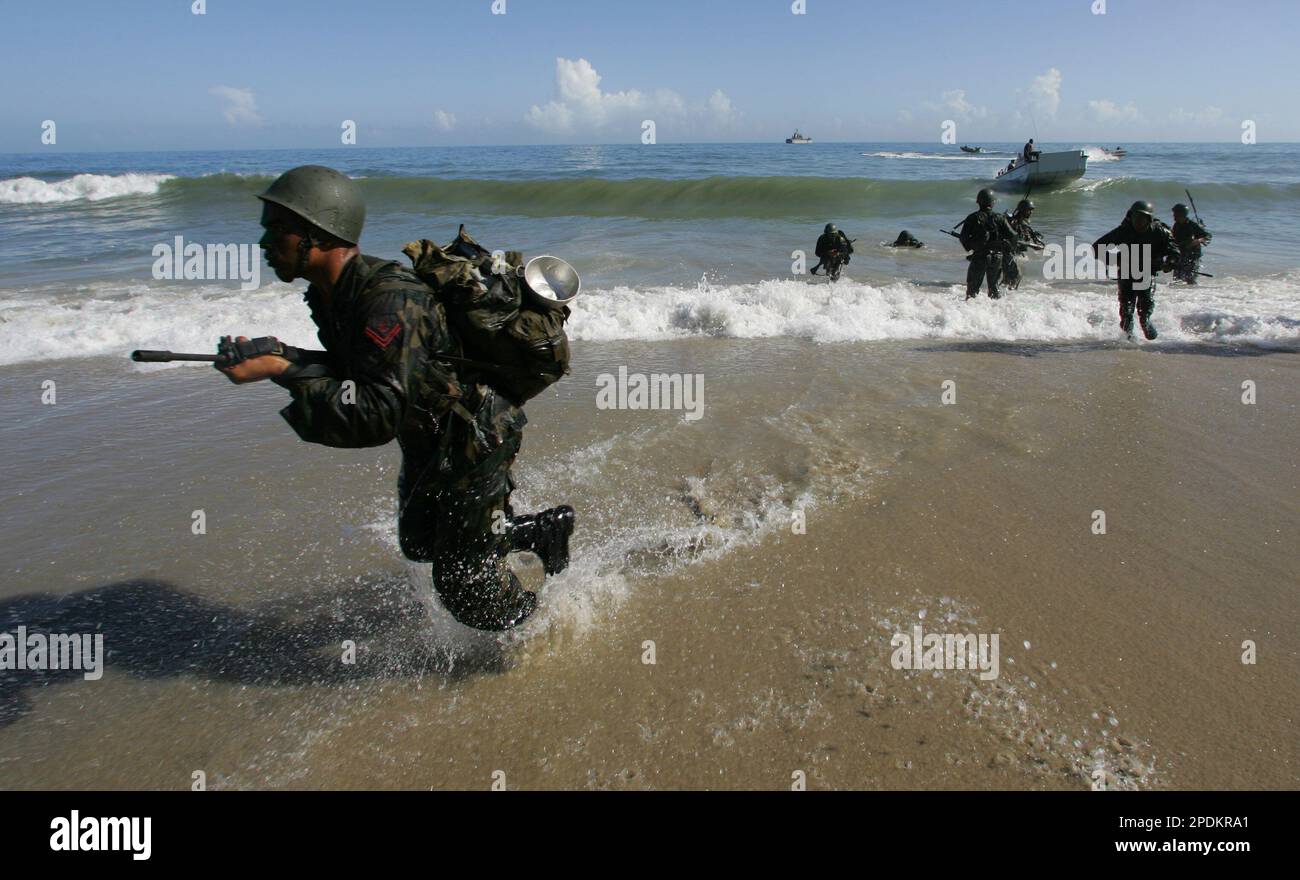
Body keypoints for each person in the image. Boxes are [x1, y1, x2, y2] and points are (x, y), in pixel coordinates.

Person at [216, 165, 573, 631]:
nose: (265, 245)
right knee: (421, 543)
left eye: (277, 231)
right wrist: (281, 355)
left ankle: (542, 626)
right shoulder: (335, 294)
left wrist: (282, 371)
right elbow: (361, 371)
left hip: (474, 437)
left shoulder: (389, 301)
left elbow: (375, 415)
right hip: (429, 433)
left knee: (466, 590)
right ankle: (537, 532)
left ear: (316, 235)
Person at [1092, 200, 1181, 340]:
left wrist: (1170, 262)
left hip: (1147, 272)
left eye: (1141, 218)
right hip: (1127, 272)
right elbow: (1097, 248)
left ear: (1149, 219)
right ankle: (1129, 339)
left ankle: (1146, 324)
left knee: (1145, 309)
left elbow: (1174, 251)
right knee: (1126, 311)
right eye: (1135, 217)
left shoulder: (1160, 232)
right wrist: (1115, 260)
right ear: (1130, 217)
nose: (1137, 221)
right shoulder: (1123, 231)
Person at [956, 188, 1018, 300]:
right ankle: (996, 311)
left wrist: (971, 246)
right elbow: (1013, 236)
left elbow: (963, 238)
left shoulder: (972, 218)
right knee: (994, 288)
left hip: (980, 256)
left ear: (978, 202)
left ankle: (970, 312)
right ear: (993, 202)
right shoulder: (1000, 218)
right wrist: (1007, 249)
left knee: (972, 290)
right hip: (997, 257)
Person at [1170, 203, 1212, 284]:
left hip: (1193, 256)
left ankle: (1194, 293)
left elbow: (1208, 236)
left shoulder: (1192, 225)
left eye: (1176, 213)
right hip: (1181, 254)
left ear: (1182, 214)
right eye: (1174, 213)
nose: (1174, 215)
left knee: (1190, 279)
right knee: (1177, 279)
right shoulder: (1176, 225)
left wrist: (1197, 241)